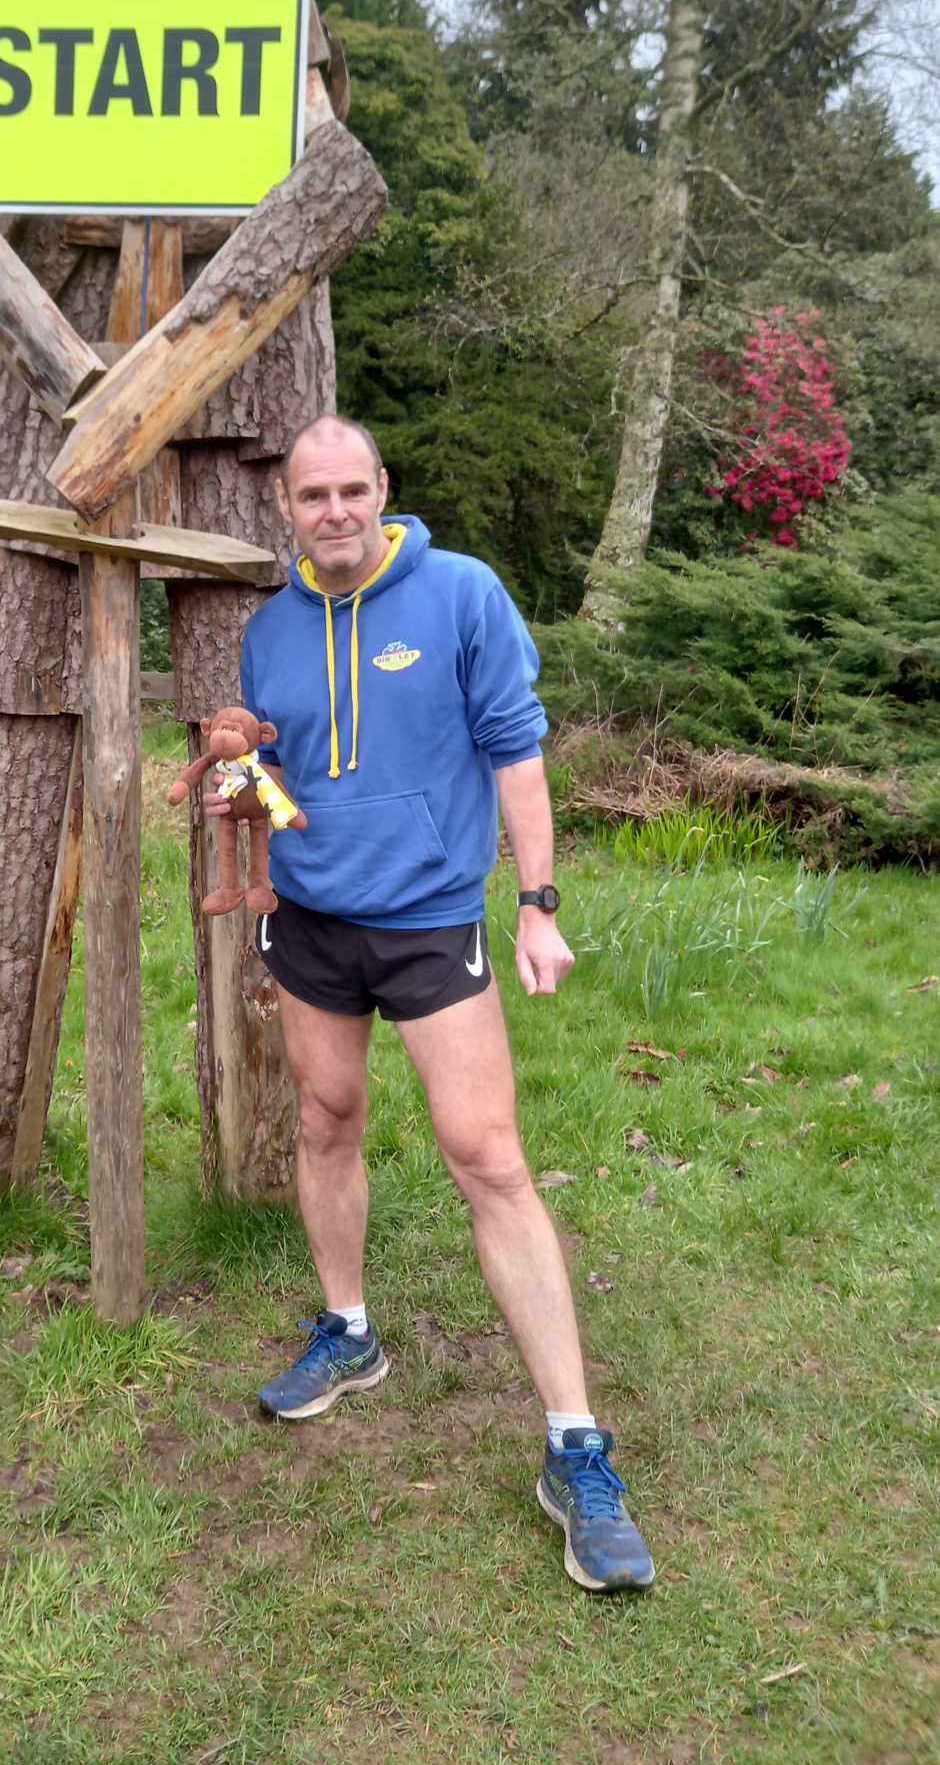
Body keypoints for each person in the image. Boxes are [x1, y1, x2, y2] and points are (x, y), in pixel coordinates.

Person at [224, 413, 654, 1594]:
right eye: (312, 494)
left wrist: (538, 903)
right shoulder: (269, 628)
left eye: (351, 489)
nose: (334, 511)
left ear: (382, 490)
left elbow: (517, 752)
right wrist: (247, 786)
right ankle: (349, 1331)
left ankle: (575, 1447)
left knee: (490, 1159)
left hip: (428, 919)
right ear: (286, 507)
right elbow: (281, 764)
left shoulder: (462, 592)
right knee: (325, 1118)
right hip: (310, 921)